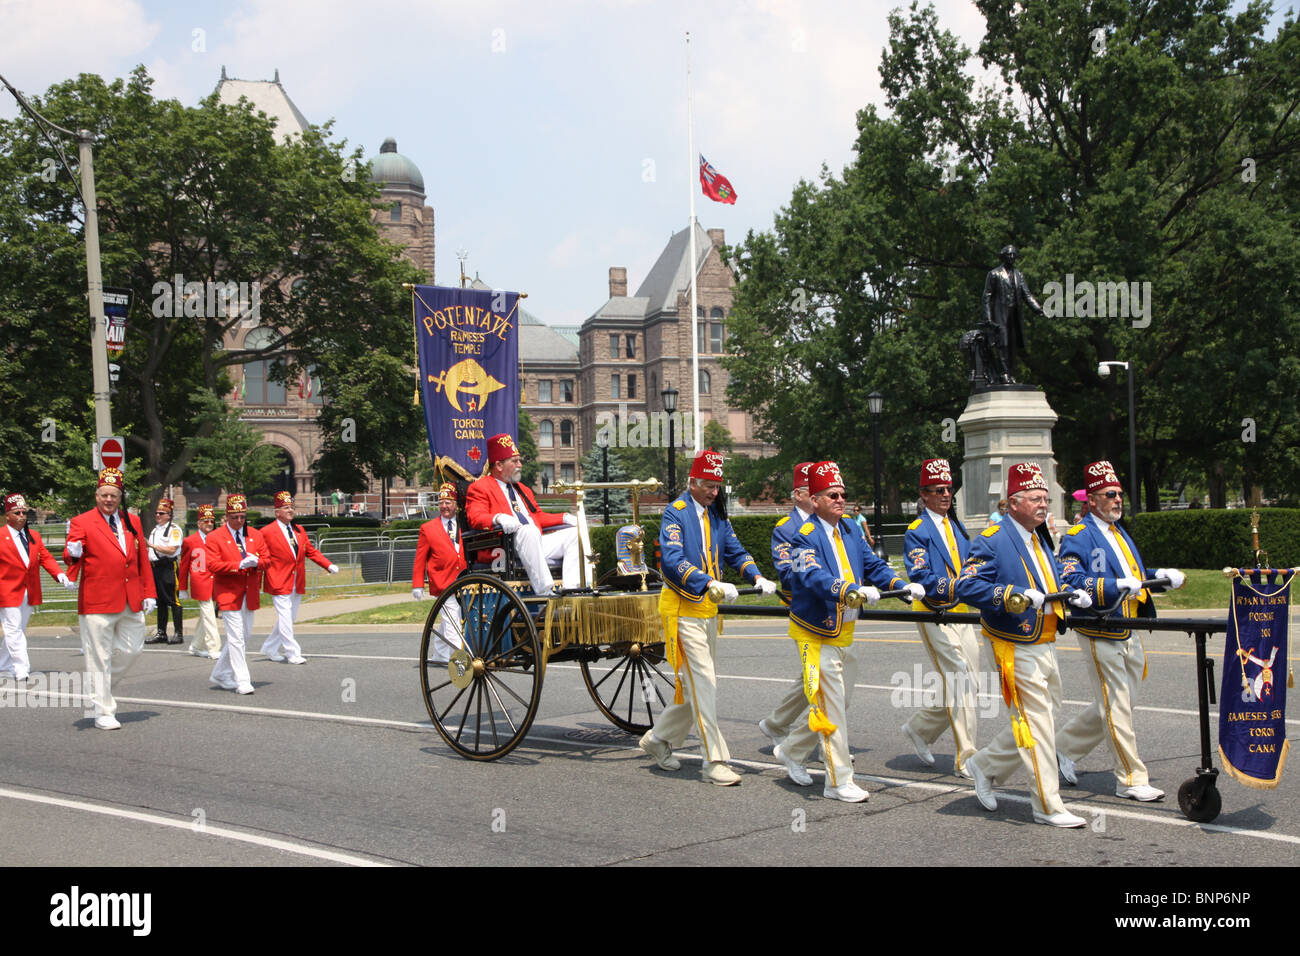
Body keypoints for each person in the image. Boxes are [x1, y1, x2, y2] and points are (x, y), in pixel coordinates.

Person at [956, 462, 1101, 827]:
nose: (1043, 504)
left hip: (1045, 639)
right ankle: (1047, 805)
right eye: (1036, 498)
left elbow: (1047, 583)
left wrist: (1071, 596)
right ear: (1013, 502)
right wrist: (1014, 595)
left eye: (1046, 498)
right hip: (1013, 642)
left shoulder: (1040, 537)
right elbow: (967, 586)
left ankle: (984, 765)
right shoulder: (992, 539)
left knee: (1044, 715)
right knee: (1036, 725)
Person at [779, 461, 922, 801]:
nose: (841, 500)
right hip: (815, 633)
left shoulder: (850, 530)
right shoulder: (804, 536)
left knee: (837, 703)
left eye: (843, 494)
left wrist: (901, 585)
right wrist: (847, 590)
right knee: (832, 708)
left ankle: (792, 749)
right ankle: (838, 780)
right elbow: (811, 576)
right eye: (833, 495)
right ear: (814, 501)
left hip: (845, 630)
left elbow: (873, 564)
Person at [638, 448, 777, 786]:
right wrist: (708, 581)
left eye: (717, 486)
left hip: (707, 611)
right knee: (705, 683)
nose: (714, 492)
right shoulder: (677, 513)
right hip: (682, 609)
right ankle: (714, 760)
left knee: (693, 687)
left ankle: (657, 739)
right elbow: (671, 561)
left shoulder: (717, 516)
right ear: (692, 482)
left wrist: (756, 576)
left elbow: (735, 550)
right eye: (708, 485)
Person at [1056, 460, 1185, 802]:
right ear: (1092, 500)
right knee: (1116, 707)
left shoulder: (1118, 532)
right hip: (1101, 628)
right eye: (1110, 495)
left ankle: (1062, 748)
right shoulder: (1079, 536)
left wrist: (1160, 577)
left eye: (1119, 494)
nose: (1117, 500)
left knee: (1119, 703)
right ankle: (1129, 778)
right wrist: (1112, 586)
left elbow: (1134, 575)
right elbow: (1069, 580)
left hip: (1129, 628)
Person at [901, 458, 982, 777]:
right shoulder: (917, 531)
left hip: (961, 611)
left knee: (970, 681)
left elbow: (972, 564)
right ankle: (967, 755)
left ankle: (920, 728)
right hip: (934, 611)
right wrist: (959, 585)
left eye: (949, 489)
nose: (946, 494)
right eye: (939, 490)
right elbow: (921, 575)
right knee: (960, 675)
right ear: (924, 494)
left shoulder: (957, 527)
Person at [63, 468, 157, 730]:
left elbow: (141, 560)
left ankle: (98, 687)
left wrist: (149, 592)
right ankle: (104, 709)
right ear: (96, 495)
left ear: (120, 496)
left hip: (131, 598)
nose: (108, 500)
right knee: (99, 656)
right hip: (98, 599)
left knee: (133, 649)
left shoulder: (132, 521)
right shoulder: (82, 521)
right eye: (104, 494)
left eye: (113, 495)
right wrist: (72, 552)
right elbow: (73, 553)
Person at [466, 433, 589, 594]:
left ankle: (573, 590)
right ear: (499, 465)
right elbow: (475, 518)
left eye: (519, 460)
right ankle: (545, 591)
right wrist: (498, 518)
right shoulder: (480, 487)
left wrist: (564, 517)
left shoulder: (523, 489)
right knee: (529, 531)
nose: (520, 465)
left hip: (534, 541)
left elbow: (536, 516)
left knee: (575, 534)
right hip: (505, 545)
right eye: (514, 461)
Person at [758, 462, 815, 748]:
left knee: (819, 676)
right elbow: (788, 573)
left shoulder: (832, 523)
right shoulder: (786, 529)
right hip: (805, 612)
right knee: (817, 678)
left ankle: (777, 723)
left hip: (838, 613)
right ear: (798, 495)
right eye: (811, 489)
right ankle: (815, 741)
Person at [1, 493, 74, 682]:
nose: (22, 516)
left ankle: (3, 665)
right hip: (7, 590)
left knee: (18, 629)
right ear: (7, 515)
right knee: (13, 629)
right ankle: (21, 668)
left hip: (29, 590)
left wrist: (60, 575)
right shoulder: (1, 536)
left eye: (24, 512)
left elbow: (46, 557)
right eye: (17, 512)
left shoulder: (33, 536)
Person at [259, 491, 338, 664]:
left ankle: (270, 647)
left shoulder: (298, 530)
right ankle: (292, 652)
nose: (290, 510)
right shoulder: (267, 532)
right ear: (277, 512)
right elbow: (259, 555)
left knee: (289, 617)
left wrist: (328, 565)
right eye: (286, 508)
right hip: (278, 579)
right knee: (286, 616)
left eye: (292, 507)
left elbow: (310, 551)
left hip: (297, 580)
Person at [205, 494, 265, 695]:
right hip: (228, 592)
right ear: (227, 516)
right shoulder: (215, 537)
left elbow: (268, 558)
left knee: (244, 636)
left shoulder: (255, 535)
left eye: (242, 516)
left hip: (250, 590)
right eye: (235, 517)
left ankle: (221, 672)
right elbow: (212, 564)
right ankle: (243, 680)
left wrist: (257, 562)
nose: (239, 521)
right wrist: (237, 565)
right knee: (236, 637)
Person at [412, 482, 468, 663]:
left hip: (463, 580)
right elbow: (420, 558)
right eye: (441, 502)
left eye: (448, 502)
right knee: (452, 619)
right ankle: (460, 660)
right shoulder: (427, 529)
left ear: (455, 505)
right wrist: (418, 584)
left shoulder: (464, 524)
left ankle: (439, 653)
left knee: (449, 619)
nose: (444, 506)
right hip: (442, 582)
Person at [981, 244, 1046, 383]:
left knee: (1012, 345)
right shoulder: (994, 274)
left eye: (1013, 255)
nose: (1011, 257)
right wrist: (988, 318)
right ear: (1003, 256)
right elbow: (986, 297)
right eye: (1009, 255)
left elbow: (1026, 294)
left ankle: (1011, 373)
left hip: (1014, 315)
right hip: (1000, 314)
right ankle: (1004, 373)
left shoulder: (1018, 275)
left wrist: (1038, 309)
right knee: (1002, 344)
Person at [178, 504, 220, 659]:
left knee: (206, 617)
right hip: (200, 583)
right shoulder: (190, 541)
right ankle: (213, 647)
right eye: (205, 521)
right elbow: (183, 566)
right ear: (198, 523)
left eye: (211, 521)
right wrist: (182, 588)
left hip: (215, 583)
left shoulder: (217, 539)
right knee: (209, 615)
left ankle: (195, 646)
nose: (209, 524)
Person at [145, 497, 185, 645]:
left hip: (168, 567)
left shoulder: (173, 529)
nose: (158, 516)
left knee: (173, 600)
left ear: (169, 515)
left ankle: (178, 633)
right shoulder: (156, 529)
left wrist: (152, 546)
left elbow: (172, 549)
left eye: (161, 513)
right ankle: (161, 632)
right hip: (156, 567)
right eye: (157, 513)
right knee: (160, 601)